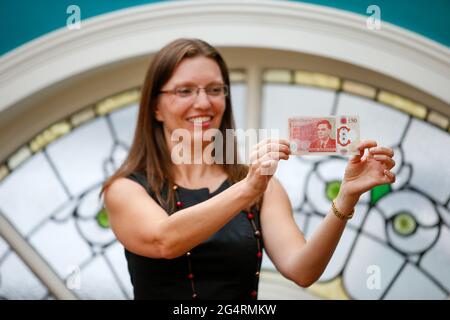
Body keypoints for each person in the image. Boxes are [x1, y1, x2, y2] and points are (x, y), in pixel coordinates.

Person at [101, 38, 396, 300]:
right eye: (185, 90)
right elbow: (164, 241)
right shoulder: (126, 189)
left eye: (214, 90)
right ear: (155, 107)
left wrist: (346, 197)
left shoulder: (264, 189)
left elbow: (302, 271)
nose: (203, 102)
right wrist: (249, 188)